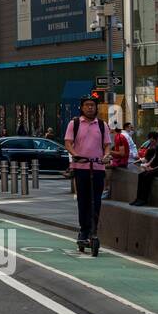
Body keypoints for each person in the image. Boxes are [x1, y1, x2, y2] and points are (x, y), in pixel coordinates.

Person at [64, 96, 112, 248]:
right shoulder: (75, 123)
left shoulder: (103, 125)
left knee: (96, 201)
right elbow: (68, 143)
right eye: (87, 105)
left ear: (96, 108)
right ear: (82, 107)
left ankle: (93, 231)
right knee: (83, 201)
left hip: (97, 168)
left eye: (92, 105)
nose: (90, 107)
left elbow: (107, 145)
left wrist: (106, 156)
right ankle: (83, 231)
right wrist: (75, 154)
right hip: (80, 168)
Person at [132, 130, 158, 207]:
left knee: (147, 176)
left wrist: (153, 169)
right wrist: (148, 165)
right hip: (157, 169)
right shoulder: (157, 146)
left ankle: (143, 199)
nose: (150, 142)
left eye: (151, 140)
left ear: (156, 139)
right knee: (141, 175)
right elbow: (154, 158)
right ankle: (138, 198)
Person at [104, 122, 130, 200]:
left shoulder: (119, 137)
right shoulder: (118, 137)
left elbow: (122, 154)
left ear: (112, 129)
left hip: (121, 162)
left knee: (103, 168)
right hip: (118, 160)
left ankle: (106, 191)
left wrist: (108, 152)